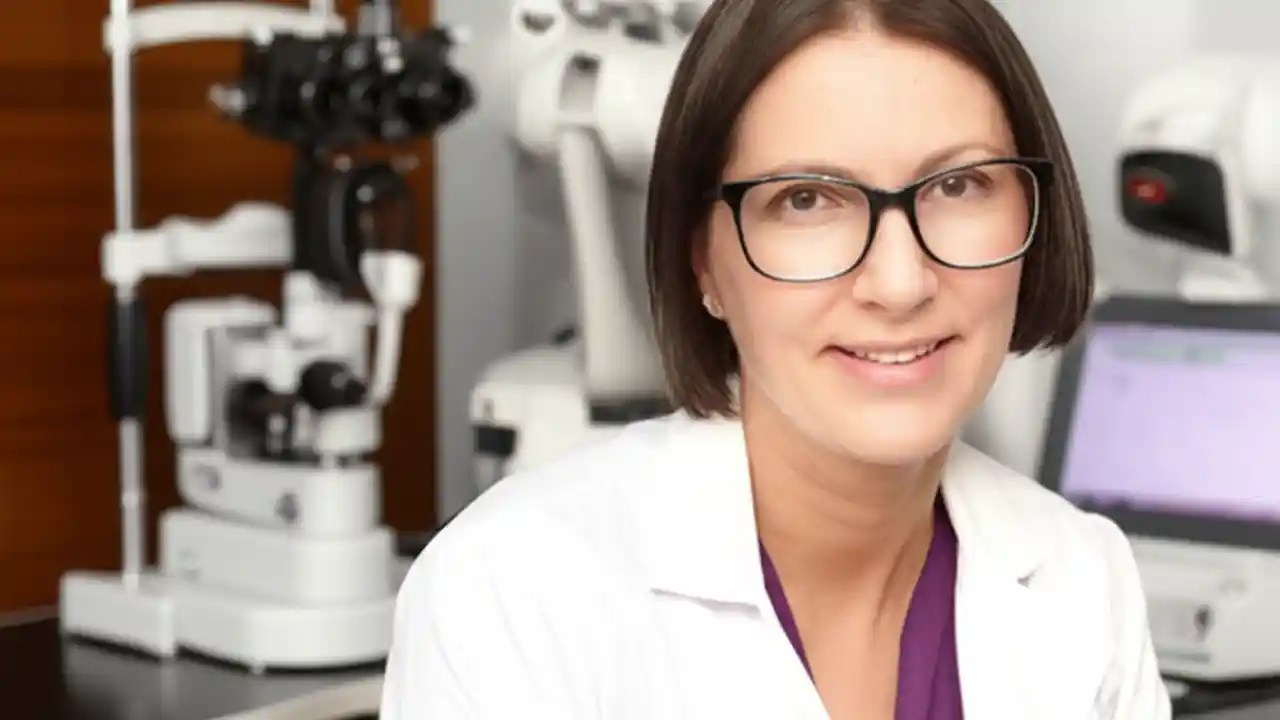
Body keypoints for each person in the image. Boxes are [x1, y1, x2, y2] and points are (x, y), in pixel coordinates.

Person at [381, 0, 1172, 717]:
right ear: (704, 262)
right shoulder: (511, 593)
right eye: (806, 200)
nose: (900, 283)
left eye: (959, 185)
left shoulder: (1082, 581)